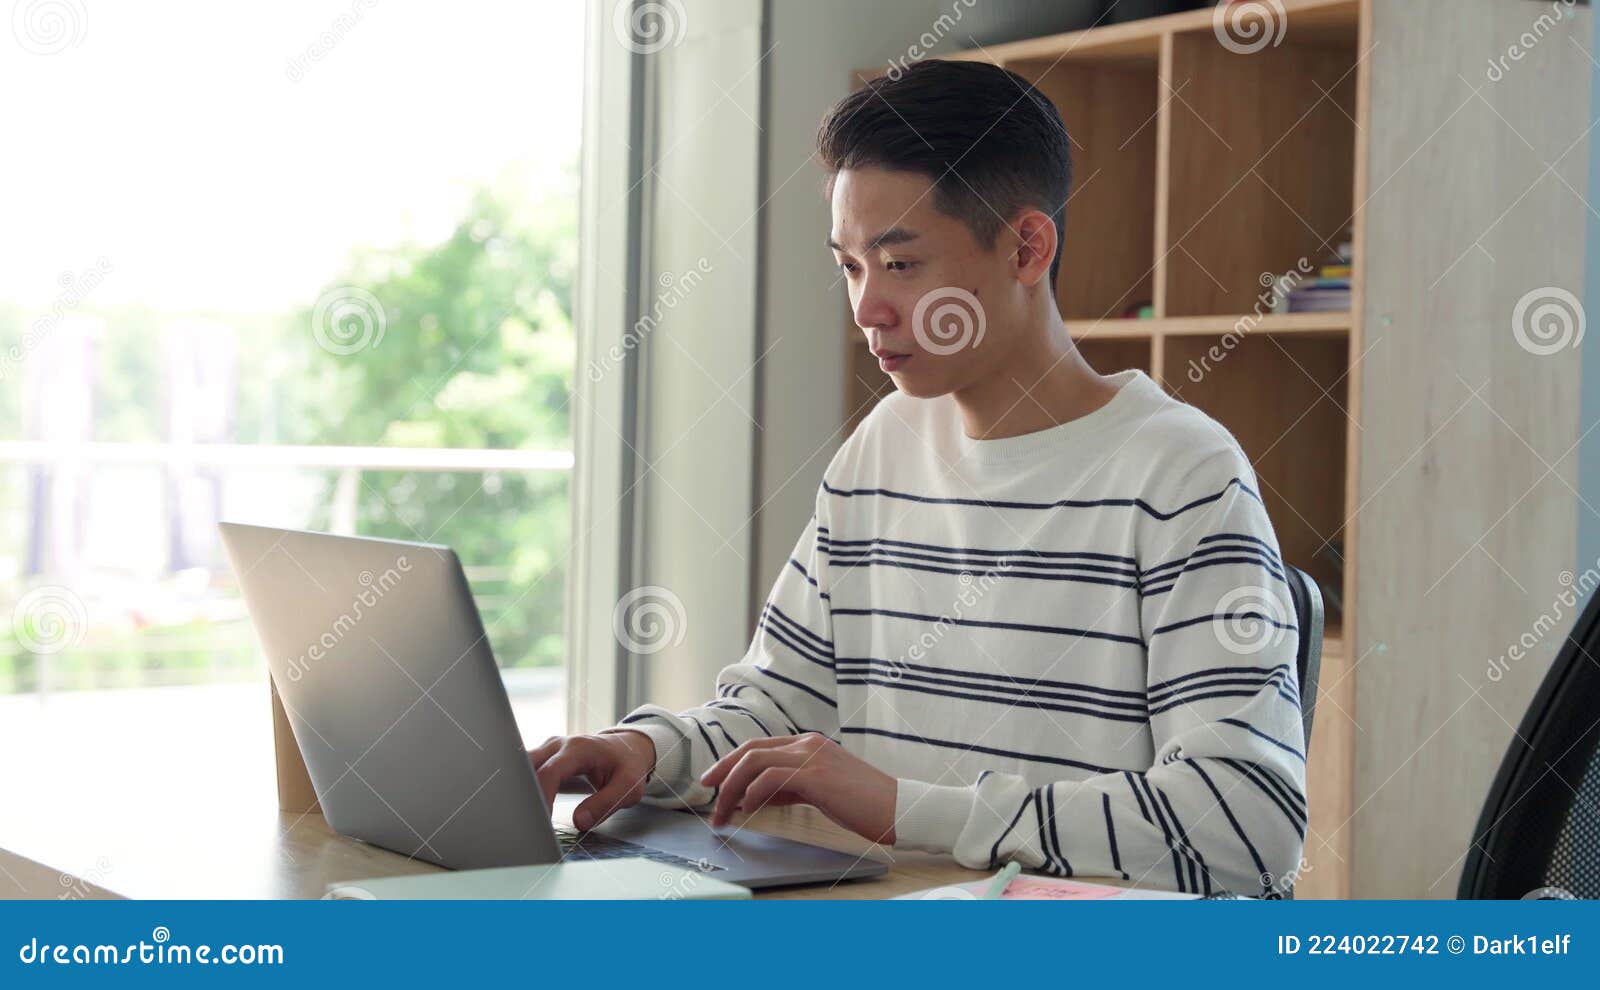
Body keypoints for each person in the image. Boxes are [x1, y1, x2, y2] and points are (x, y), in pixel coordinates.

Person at [530, 58, 1307, 896]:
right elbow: (783, 709)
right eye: (851, 266)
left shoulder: (1180, 473)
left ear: (1026, 247)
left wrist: (907, 809)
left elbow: (1244, 824)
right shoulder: (882, 447)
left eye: (900, 265)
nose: (867, 309)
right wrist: (644, 752)